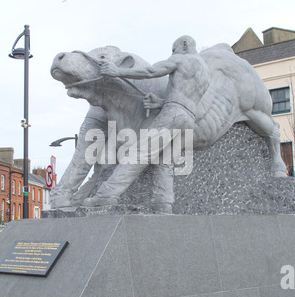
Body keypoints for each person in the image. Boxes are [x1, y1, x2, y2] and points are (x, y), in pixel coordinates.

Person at [83, 35, 210, 212]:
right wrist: (160, 102)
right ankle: (163, 202)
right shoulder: (205, 72)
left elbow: (151, 71)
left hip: (173, 113)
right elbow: (185, 97)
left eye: (173, 49)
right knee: (165, 161)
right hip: (188, 118)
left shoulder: (182, 59)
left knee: (140, 151)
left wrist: (117, 71)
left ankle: (107, 194)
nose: (172, 54)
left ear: (185, 45)